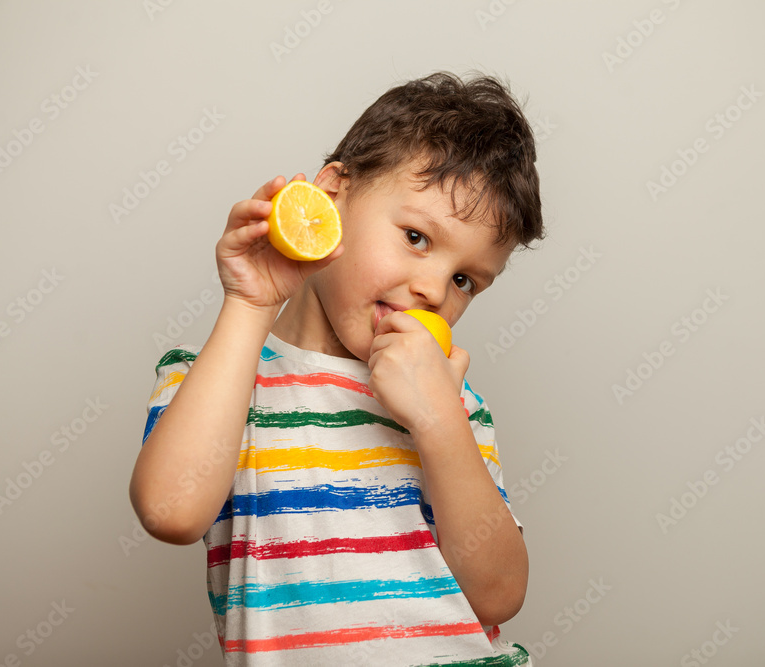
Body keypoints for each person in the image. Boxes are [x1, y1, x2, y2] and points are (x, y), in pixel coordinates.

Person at [129, 70, 545, 666]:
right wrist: (251, 304)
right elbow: (171, 511)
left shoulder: (451, 398)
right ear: (331, 195)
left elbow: (499, 594)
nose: (433, 288)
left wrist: (440, 424)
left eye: (465, 280)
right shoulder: (221, 381)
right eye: (417, 237)